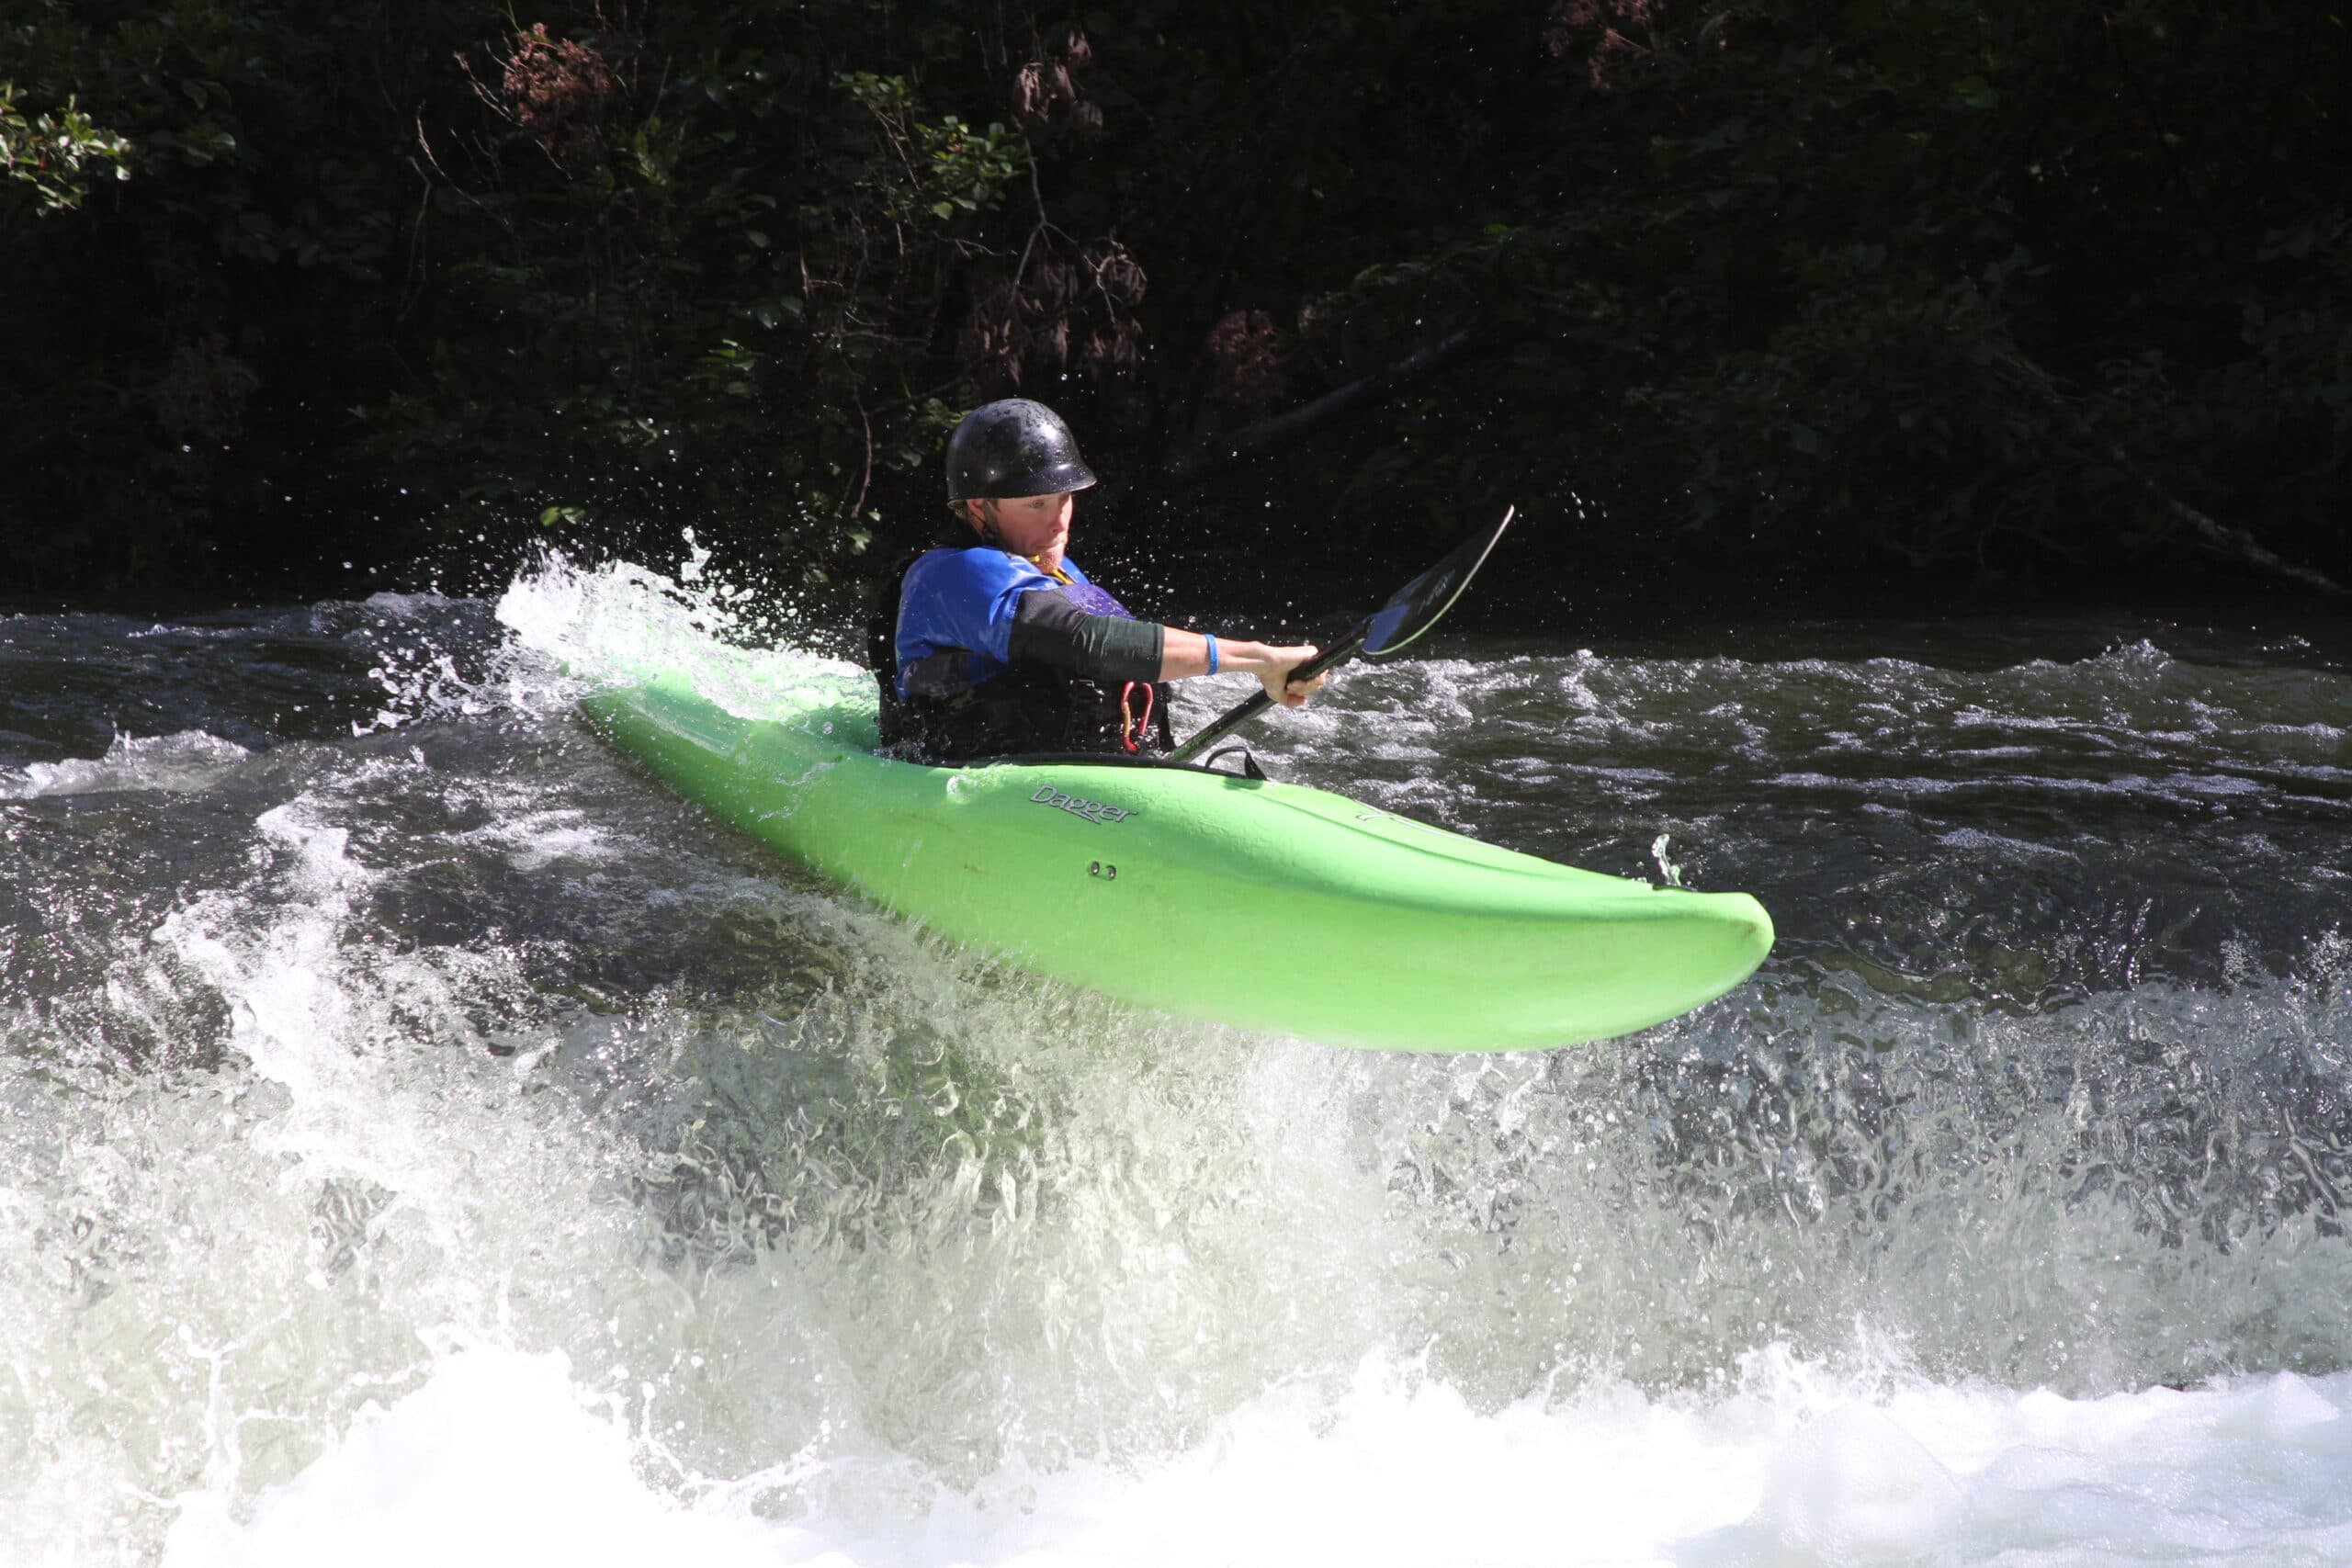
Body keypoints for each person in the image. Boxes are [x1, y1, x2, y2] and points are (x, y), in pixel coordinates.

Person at [869, 399, 1325, 761]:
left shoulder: (1050, 571)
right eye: (1035, 504)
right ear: (977, 508)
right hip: (967, 777)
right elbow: (1086, 641)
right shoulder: (954, 573)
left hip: (1069, 776)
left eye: (1064, 499)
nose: (1058, 523)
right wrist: (1257, 657)